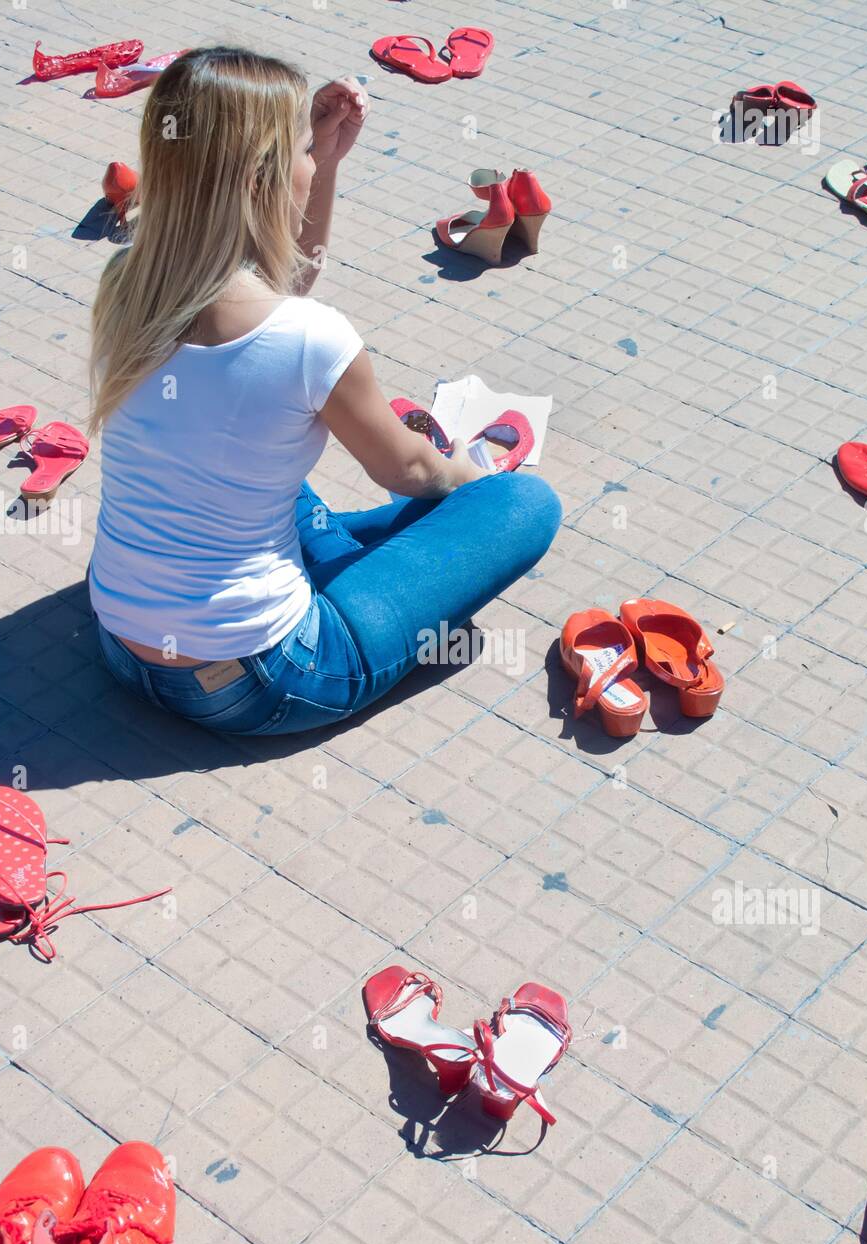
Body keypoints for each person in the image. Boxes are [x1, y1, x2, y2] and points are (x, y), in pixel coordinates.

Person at [88, 47, 561, 735]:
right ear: (261, 178)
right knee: (521, 505)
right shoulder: (311, 338)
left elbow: (268, 299)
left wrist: (327, 164)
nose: (314, 162)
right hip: (260, 681)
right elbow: (413, 468)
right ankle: (383, 580)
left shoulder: (126, 282)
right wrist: (473, 478)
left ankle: (366, 561)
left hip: (119, 642)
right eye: (306, 151)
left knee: (258, 471)